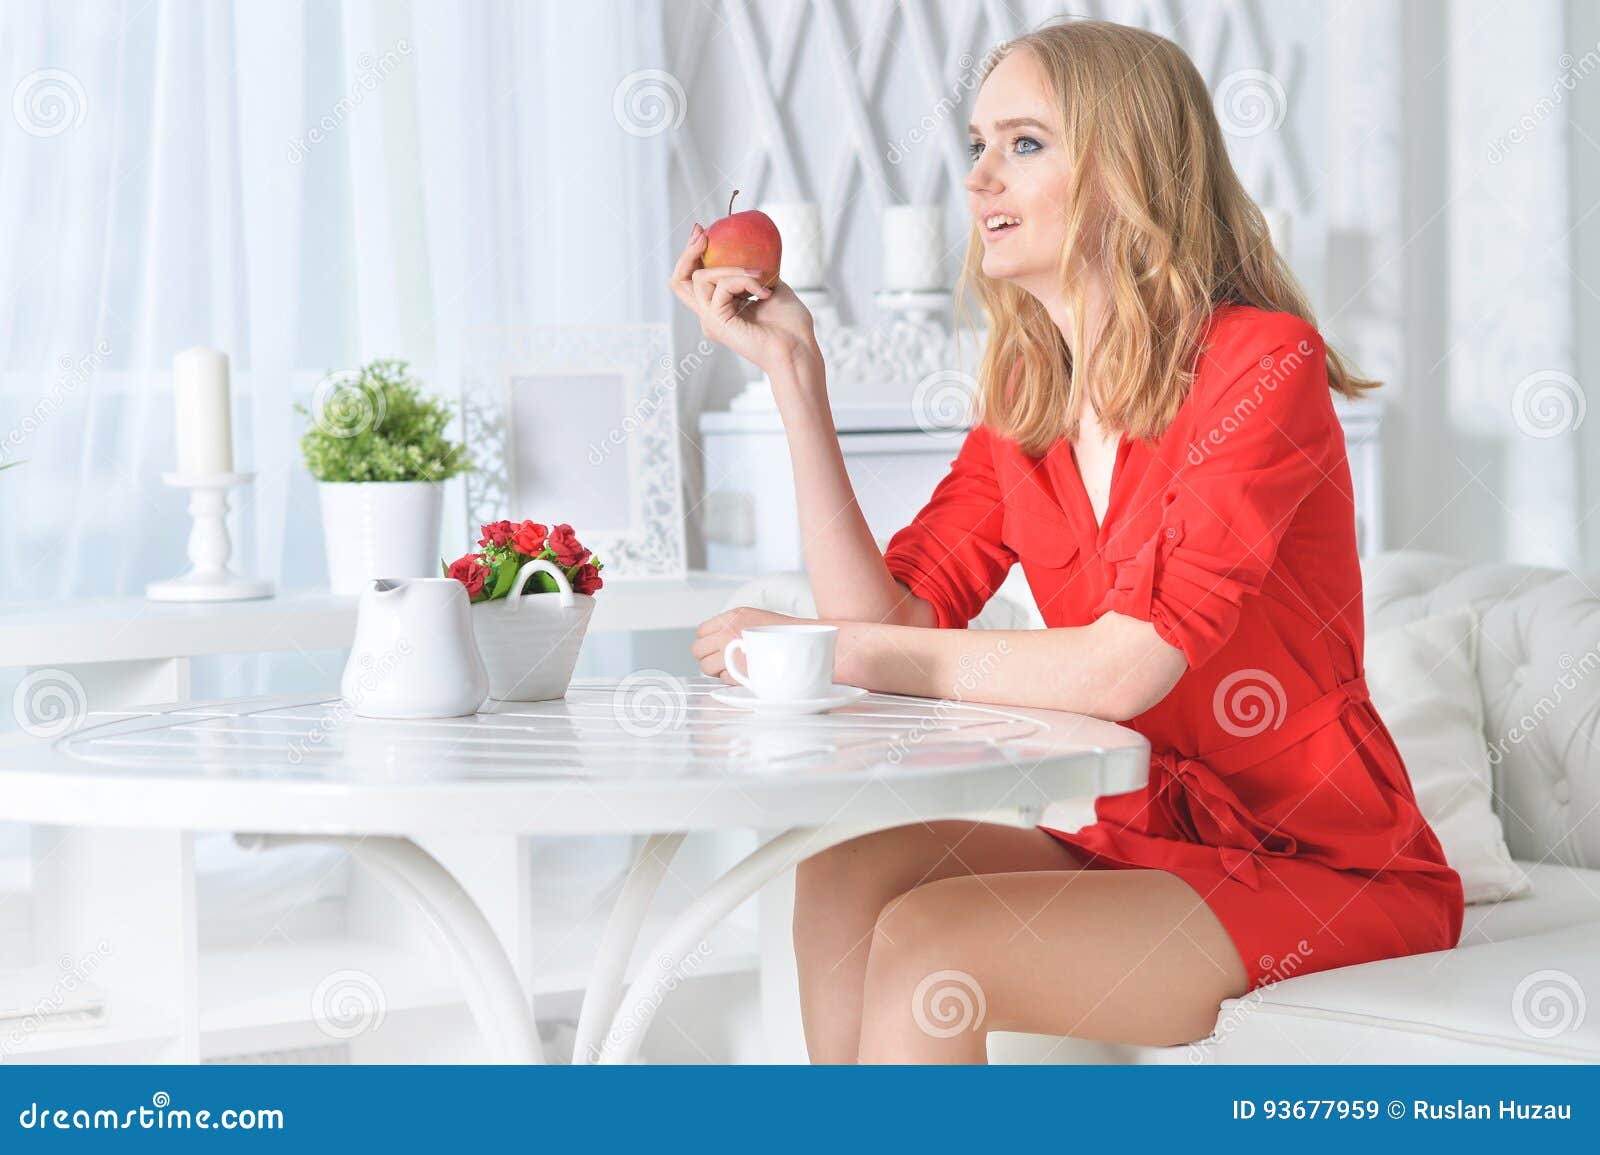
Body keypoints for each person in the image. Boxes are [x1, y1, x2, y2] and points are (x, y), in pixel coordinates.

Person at [671, 17, 1462, 1065]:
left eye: (1024, 143)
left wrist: (838, 649)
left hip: (1321, 866)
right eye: (976, 145)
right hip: (1150, 845)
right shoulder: (1028, 400)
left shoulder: (1260, 365)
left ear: (1125, 168)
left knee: (932, 944)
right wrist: (793, 382)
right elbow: (896, 620)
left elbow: (1126, 663)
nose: (978, 178)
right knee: (845, 867)